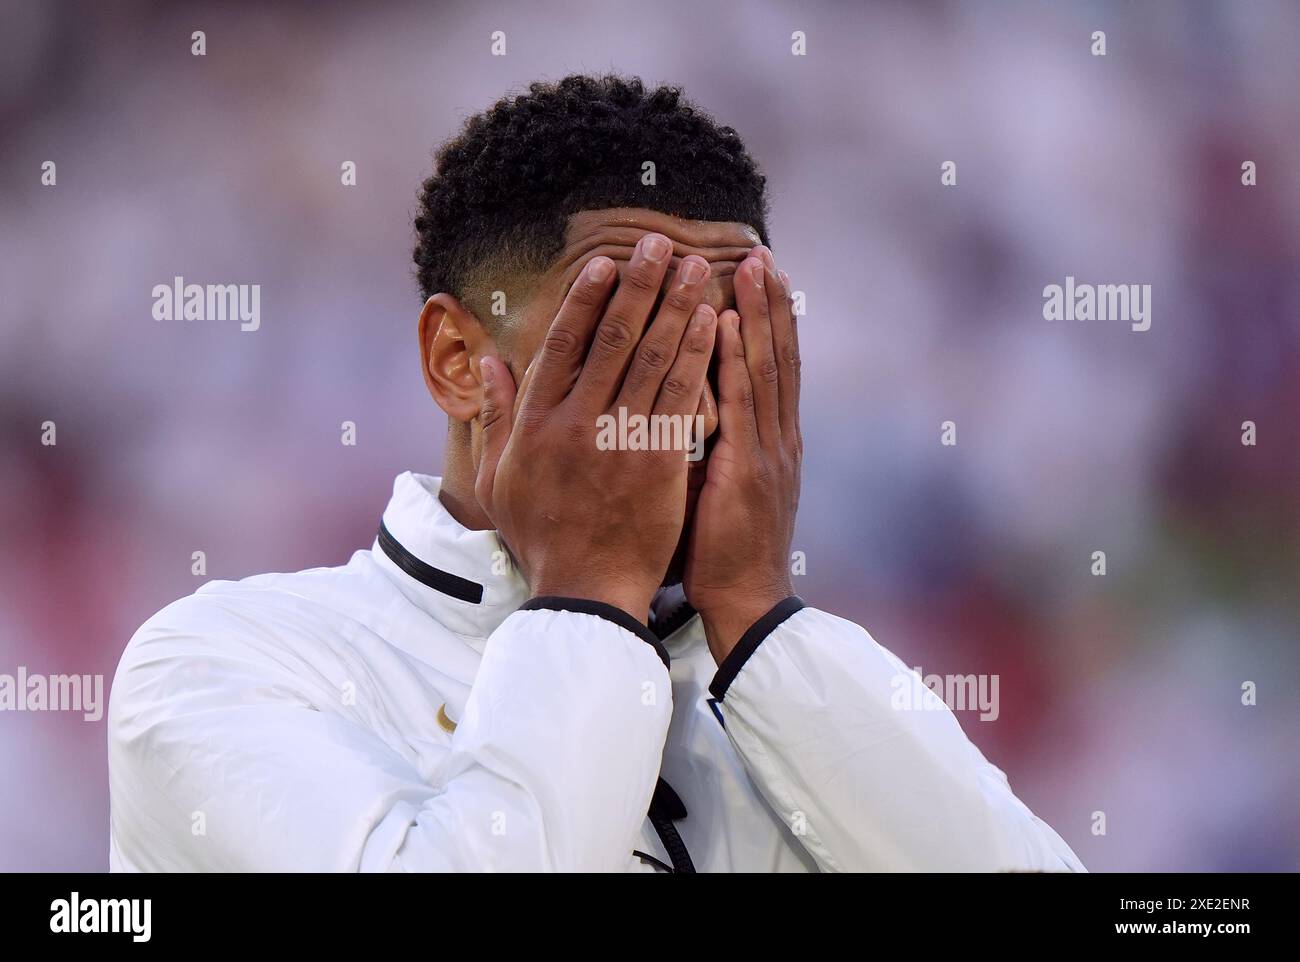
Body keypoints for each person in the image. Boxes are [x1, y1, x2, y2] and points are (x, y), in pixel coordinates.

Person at [108, 75, 1083, 872]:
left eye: (722, 346)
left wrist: (759, 618)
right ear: (457, 361)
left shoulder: (794, 692)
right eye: (632, 338)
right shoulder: (223, 663)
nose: (691, 406)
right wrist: (589, 594)